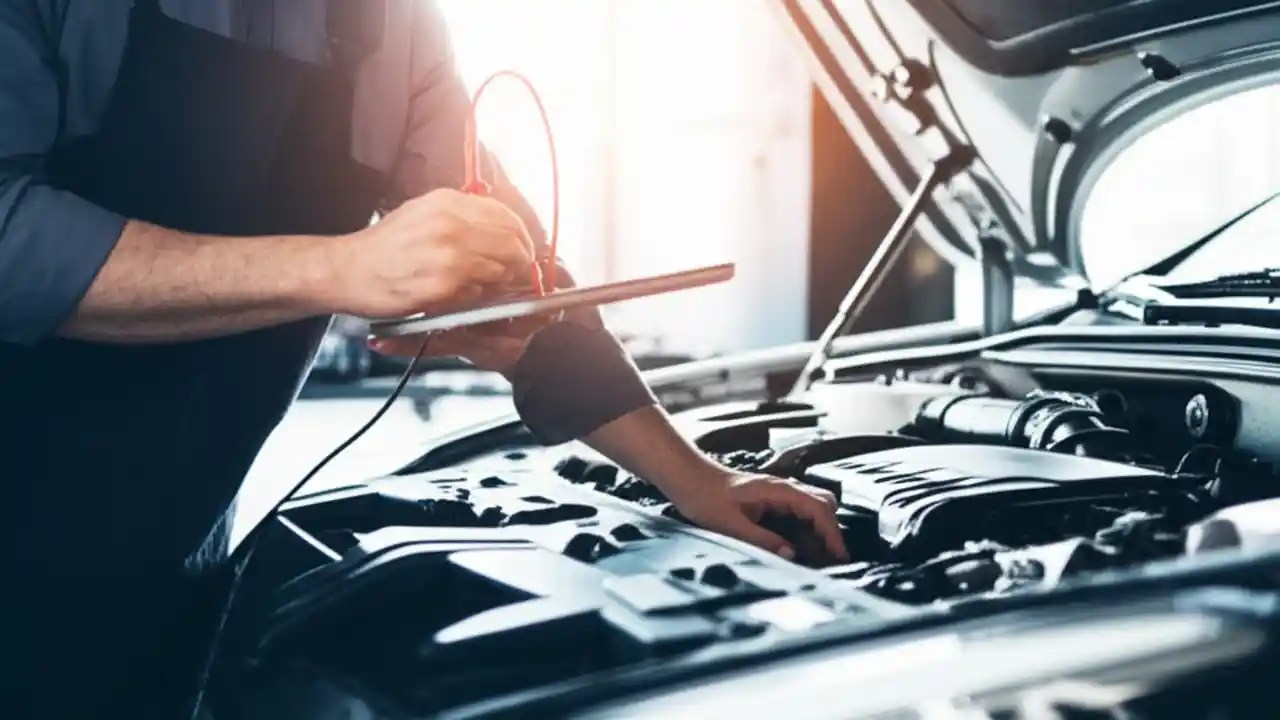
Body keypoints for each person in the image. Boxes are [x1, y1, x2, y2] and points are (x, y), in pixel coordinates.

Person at [0, 1, 847, 716]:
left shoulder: (393, 26)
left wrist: (693, 476)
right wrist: (340, 269)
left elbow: (520, 271)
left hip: (173, 555)